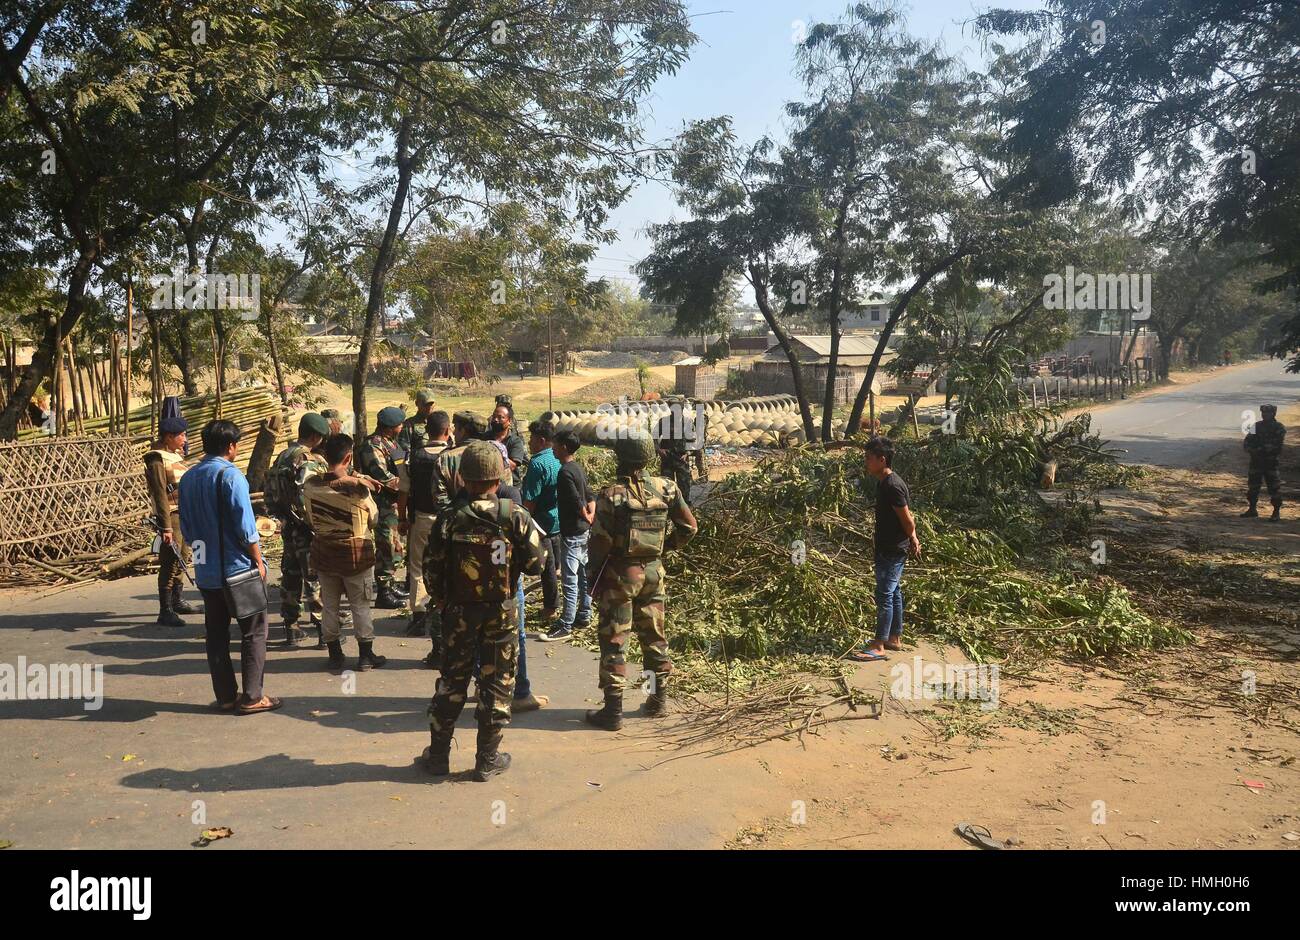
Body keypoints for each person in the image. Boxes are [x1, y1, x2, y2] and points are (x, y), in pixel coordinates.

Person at [421, 441, 544, 781]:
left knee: (452, 682)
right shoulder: (514, 516)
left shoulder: (448, 518)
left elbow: (430, 567)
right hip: (501, 613)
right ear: (498, 477)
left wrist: (442, 599)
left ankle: (438, 758)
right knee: (496, 684)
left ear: (463, 478)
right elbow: (536, 564)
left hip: (459, 613)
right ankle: (487, 759)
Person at [585, 434, 697, 730]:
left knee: (614, 640)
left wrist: (592, 577)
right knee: (653, 636)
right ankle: (655, 700)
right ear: (648, 457)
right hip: (653, 573)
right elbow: (689, 527)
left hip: (620, 575)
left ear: (620, 458)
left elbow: (599, 542)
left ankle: (613, 711)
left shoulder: (611, 495)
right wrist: (664, 547)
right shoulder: (667, 488)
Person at [178, 420, 280, 715]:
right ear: (231, 446)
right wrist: (258, 559)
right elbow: (246, 527)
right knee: (254, 631)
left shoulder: (189, 477)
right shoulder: (231, 477)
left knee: (217, 634)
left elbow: (185, 524)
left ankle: (225, 696)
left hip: (206, 569)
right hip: (236, 569)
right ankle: (252, 696)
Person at [302, 434, 388, 672]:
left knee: (329, 605)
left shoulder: (310, 486)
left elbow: (310, 519)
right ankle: (365, 656)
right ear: (349, 457)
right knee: (360, 606)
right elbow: (373, 518)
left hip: (324, 552)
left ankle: (335, 654)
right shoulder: (357, 490)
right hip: (355, 556)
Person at [487, 440, 549, 713]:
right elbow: (536, 563)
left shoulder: (456, 508)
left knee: (479, 641)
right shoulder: (511, 497)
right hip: (508, 586)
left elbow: (434, 565)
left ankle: (484, 689)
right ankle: (519, 691)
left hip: (470, 592)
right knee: (516, 637)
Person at [851, 436, 921, 662]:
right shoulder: (883, 482)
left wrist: (913, 538)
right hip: (888, 546)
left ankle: (879, 644)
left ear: (882, 460)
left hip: (892, 549)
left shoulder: (892, 486)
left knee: (884, 595)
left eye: (869, 458)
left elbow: (908, 519)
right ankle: (894, 638)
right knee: (894, 592)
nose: (866, 462)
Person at [264, 413, 330, 648]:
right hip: (307, 528)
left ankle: (291, 627)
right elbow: (309, 495)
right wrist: (317, 523)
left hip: (288, 525)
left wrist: (281, 516)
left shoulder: (283, 456)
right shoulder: (308, 460)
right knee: (314, 576)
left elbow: (269, 490)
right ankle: (324, 631)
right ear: (316, 436)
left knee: (290, 575)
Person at [399, 409, 452, 637]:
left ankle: (419, 613)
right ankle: (445, 610)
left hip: (421, 518)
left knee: (418, 567)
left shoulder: (414, 456)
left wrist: (402, 518)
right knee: (448, 564)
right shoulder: (453, 456)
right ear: (448, 431)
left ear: (426, 431)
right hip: (448, 519)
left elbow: (403, 490)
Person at [143, 415, 199, 627]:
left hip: (182, 513)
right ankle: (165, 610)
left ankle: (177, 600)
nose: (185, 439)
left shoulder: (172, 455)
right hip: (171, 517)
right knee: (171, 560)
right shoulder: (156, 459)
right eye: (181, 435)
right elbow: (160, 494)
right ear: (168, 436)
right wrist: (165, 526)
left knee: (183, 556)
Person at [540, 428, 595, 642]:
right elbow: (589, 494)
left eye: (555, 444)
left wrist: (584, 513)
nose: (552, 447)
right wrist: (591, 515)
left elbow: (575, 500)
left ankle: (566, 623)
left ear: (563, 447)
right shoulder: (577, 468)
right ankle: (584, 614)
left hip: (572, 531)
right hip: (584, 531)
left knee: (570, 579)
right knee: (583, 575)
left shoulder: (564, 472)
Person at [356, 406, 407, 608]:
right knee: (387, 545)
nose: (402, 427)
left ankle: (390, 583)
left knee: (396, 546)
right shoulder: (373, 446)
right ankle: (383, 592)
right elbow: (381, 476)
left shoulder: (390, 443)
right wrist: (406, 487)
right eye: (400, 424)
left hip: (395, 503)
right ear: (391, 426)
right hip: (383, 503)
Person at [521, 418, 562, 622]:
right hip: (559, 520)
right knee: (559, 566)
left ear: (541, 440)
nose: (529, 443)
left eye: (532, 439)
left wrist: (523, 521)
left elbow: (530, 500)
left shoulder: (537, 464)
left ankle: (551, 608)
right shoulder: (558, 458)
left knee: (547, 568)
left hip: (541, 524)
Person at [1242, 403, 1285, 521]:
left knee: (1274, 487)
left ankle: (1276, 512)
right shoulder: (1256, 426)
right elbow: (1247, 443)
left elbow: (1277, 445)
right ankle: (1252, 509)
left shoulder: (1278, 427)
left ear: (1273, 414)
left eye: (1268, 413)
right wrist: (1252, 450)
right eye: (1263, 412)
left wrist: (1261, 449)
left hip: (1270, 463)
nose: (1265, 415)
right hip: (1256, 462)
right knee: (1253, 486)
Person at [655, 399, 697, 506]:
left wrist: (687, 453)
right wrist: (659, 450)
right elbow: (654, 438)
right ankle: (668, 508)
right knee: (666, 486)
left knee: (684, 486)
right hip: (667, 458)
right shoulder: (663, 422)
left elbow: (693, 440)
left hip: (681, 459)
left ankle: (684, 507)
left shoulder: (688, 422)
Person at [486, 400, 529, 487]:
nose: (495, 420)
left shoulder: (515, 441)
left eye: (500, 417)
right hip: (488, 484)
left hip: (510, 486)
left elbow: (512, 466)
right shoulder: (485, 437)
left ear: (509, 421)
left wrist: (498, 450)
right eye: (494, 416)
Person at [398, 389, 436, 455]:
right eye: (425, 404)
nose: (429, 407)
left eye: (431, 404)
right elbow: (404, 451)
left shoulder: (438, 422)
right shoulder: (408, 425)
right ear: (416, 403)